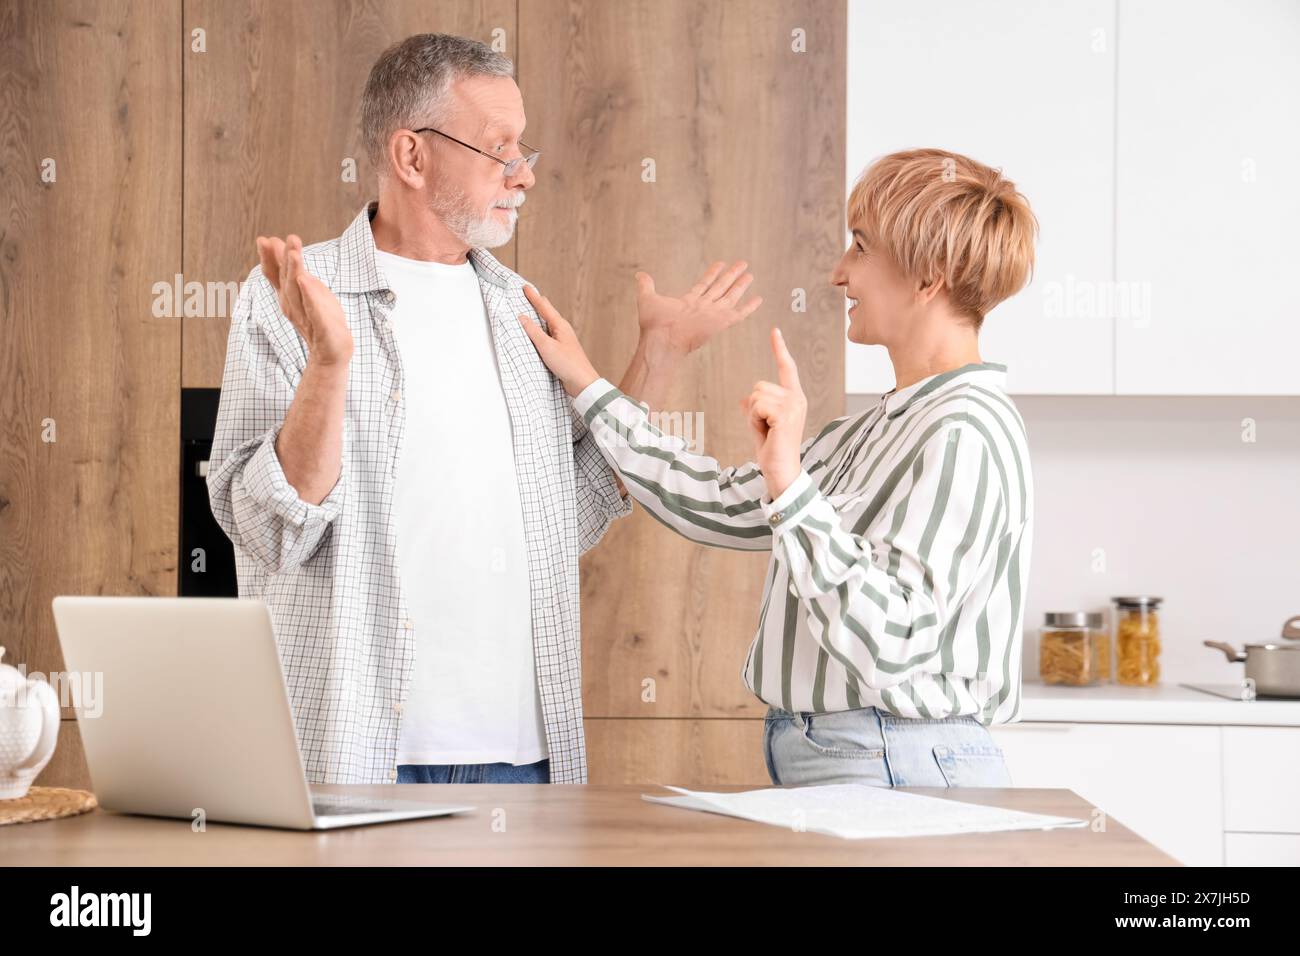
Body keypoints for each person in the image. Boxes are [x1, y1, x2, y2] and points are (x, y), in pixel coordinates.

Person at [206, 33, 759, 786]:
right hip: (350, 755)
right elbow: (268, 529)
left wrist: (658, 354)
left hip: (521, 761)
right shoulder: (291, 301)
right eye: (501, 150)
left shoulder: (517, 309)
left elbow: (573, 513)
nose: (525, 175)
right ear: (412, 156)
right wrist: (330, 366)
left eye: (524, 150)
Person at [518, 148, 1038, 788]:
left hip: (894, 756)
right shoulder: (878, 429)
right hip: (855, 753)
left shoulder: (963, 433)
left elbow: (893, 640)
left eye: (860, 248)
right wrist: (588, 382)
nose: (838, 273)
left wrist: (791, 485)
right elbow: (711, 501)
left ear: (927, 276)